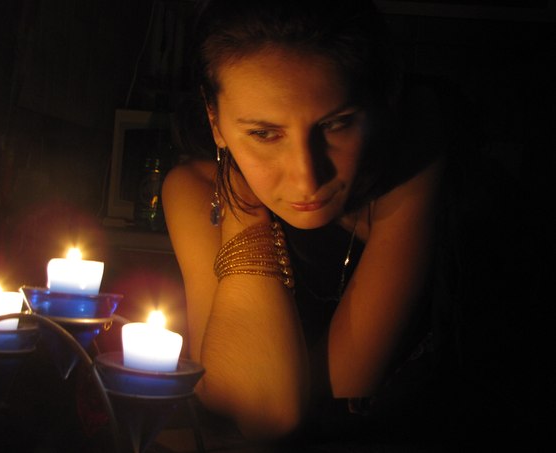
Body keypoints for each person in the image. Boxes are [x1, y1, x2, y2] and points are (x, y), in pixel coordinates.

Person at [163, 0, 461, 446]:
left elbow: (324, 405)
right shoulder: (194, 188)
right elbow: (261, 408)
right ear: (215, 121)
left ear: (381, 104)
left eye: (336, 124)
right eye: (264, 133)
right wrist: (244, 204)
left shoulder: (417, 169)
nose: (307, 179)